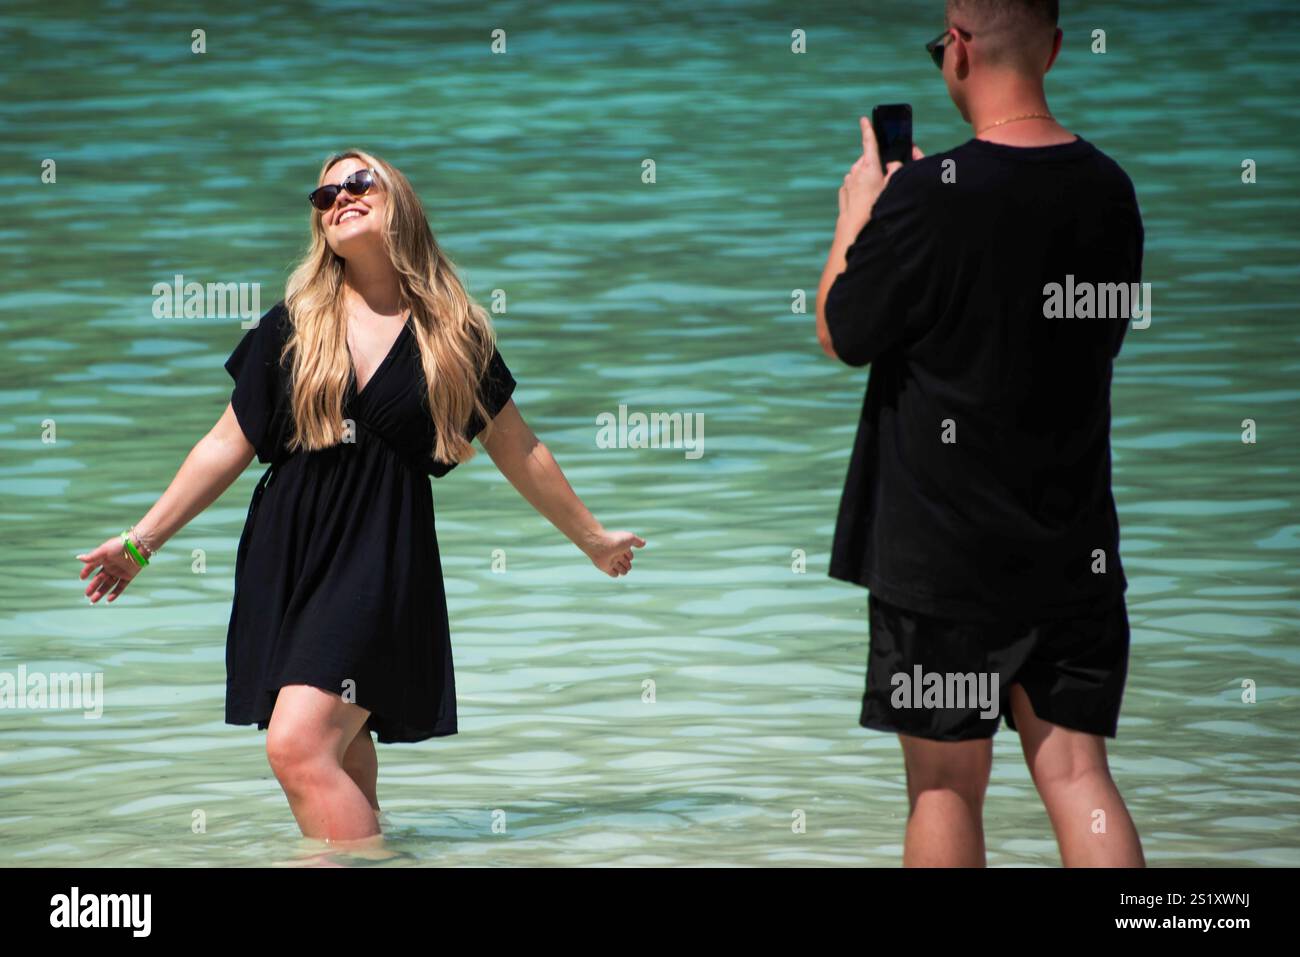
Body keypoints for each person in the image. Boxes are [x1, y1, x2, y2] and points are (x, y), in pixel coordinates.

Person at [76, 149, 645, 843]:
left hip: (380, 556)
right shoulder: (292, 323)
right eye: (325, 195)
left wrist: (593, 538)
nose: (340, 197)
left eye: (358, 182)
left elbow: (518, 447)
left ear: (398, 199)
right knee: (342, 750)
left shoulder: (452, 335)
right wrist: (141, 542)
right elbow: (225, 443)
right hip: (291, 554)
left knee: (298, 746)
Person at [815, 0, 1145, 866]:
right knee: (1079, 775)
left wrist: (860, 215)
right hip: (1073, 547)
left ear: (958, 47)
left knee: (944, 786)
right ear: (1055, 48)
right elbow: (1100, 335)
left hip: (941, 562)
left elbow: (842, 331)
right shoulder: (1109, 188)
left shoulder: (924, 197)